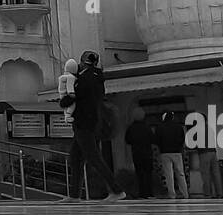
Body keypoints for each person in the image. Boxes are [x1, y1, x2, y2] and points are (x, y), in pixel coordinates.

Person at [67, 51, 125, 202]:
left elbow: (74, 97)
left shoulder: (85, 79)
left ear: (82, 62)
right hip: (92, 123)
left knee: (94, 158)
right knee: (76, 158)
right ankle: (74, 195)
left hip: (84, 123)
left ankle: (116, 190)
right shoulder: (97, 78)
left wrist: (65, 100)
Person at [156, 110, 189, 200]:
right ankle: (185, 193)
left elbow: (157, 140)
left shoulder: (160, 127)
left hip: (165, 153)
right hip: (176, 152)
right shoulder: (178, 127)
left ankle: (172, 194)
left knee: (168, 175)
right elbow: (182, 138)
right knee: (180, 173)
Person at [124, 109, 156, 198]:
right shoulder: (147, 127)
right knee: (148, 173)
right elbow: (153, 139)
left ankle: (142, 193)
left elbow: (127, 140)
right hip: (147, 153)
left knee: (140, 174)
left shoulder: (131, 128)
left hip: (136, 153)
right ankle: (150, 192)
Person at [57, 58, 78, 125]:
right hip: (68, 95)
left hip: (62, 94)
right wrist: (72, 94)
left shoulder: (62, 77)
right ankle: (68, 116)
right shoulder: (71, 77)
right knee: (72, 106)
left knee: (66, 108)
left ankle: (67, 116)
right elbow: (70, 87)